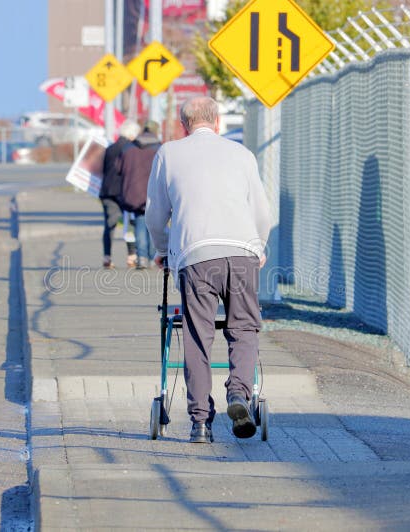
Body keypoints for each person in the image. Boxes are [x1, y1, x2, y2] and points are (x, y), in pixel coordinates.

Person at [145, 97, 272, 443]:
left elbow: (156, 214)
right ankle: (239, 395)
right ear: (217, 123)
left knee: (198, 336)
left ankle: (201, 422)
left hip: (195, 254)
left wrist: (161, 251)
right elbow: (261, 212)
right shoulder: (242, 156)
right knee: (244, 327)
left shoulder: (169, 154)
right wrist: (258, 247)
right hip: (242, 253)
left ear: (184, 125)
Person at [117, 120, 163, 269]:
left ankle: (142, 257)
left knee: (140, 222)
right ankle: (150, 257)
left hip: (134, 192)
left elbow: (119, 168)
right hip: (154, 193)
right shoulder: (160, 149)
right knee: (153, 224)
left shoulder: (128, 148)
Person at [100, 119, 141, 269]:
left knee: (109, 225)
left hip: (107, 192)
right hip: (125, 192)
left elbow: (104, 170)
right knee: (129, 224)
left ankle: (107, 257)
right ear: (132, 134)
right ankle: (131, 256)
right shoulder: (131, 149)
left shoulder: (110, 148)